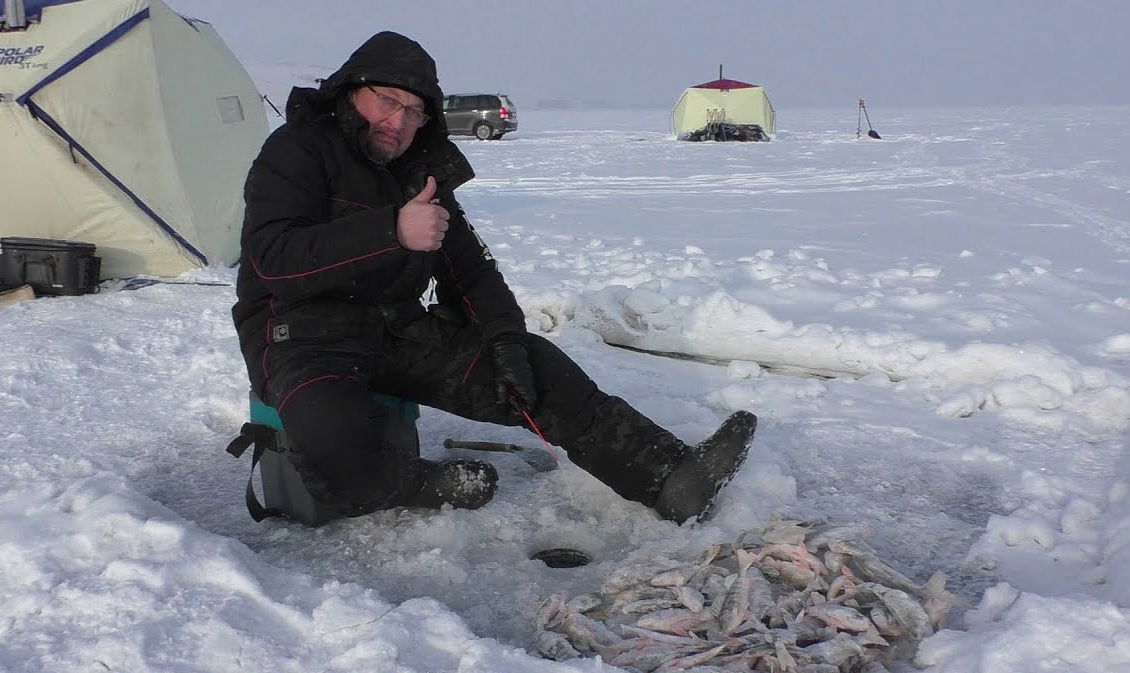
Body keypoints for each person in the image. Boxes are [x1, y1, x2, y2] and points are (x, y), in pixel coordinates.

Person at [232, 31, 756, 524]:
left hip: (395, 331)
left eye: (415, 112)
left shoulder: (422, 174)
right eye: (387, 101)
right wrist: (391, 230)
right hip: (298, 336)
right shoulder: (298, 150)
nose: (400, 121)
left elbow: (471, 271)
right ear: (351, 92)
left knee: (537, 368)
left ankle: (669, 476)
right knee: (332, 442)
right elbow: (271, 258)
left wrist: (504, 340)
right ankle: (421, 484)